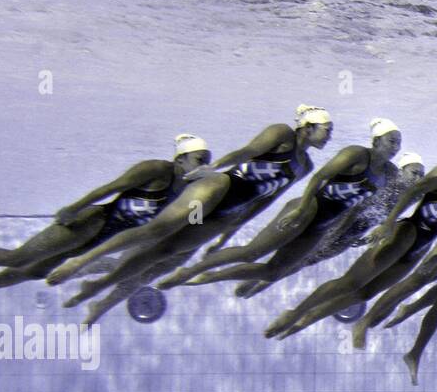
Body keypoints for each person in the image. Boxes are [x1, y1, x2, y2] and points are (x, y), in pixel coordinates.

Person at [46, 105, 334, 324]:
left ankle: (102, 302)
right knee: (157, 232)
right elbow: (246, 152)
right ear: (307, 127)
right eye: (326, 128)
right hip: (219, 189)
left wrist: (228, 234)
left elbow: (263, 200)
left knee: (164, 257)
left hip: (228, 213)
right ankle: (81, 262)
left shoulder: (305, 166)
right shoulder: (281, 133)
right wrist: (212, 168)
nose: (329, 135)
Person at [268, 132, 437, 343]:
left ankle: (306, 320)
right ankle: (295, 313)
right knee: (350, 282)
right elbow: (414, 190)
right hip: (406, 233)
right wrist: (389, 223)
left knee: (366, 293)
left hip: (423, 245)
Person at [167, 119, 402, 291]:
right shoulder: (356, 154)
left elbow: (360, 207)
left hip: (324, 223)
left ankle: (209, 277)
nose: (395, 148)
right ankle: (191, 271)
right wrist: (302, 209)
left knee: (273, 273)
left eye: (399, 144)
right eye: (392, 141)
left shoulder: (389, 173)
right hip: (307, 209)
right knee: (251, 252)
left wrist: (344, 231)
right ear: (377, 140)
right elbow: (319, 178)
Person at [0, 134, 210, 289]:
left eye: (207, 161)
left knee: (36, 271)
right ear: (180, 158)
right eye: (200, 159)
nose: (204, 165)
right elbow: (111, 188)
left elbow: (192, 226)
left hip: (102, 239)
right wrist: (74, 208)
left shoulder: (193, 190)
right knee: (17, 259)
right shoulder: (156, 169)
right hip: (90, 223)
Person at [231, 151, 426, 299]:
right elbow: (355, 207)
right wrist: (335, 232)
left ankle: (257, 287)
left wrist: (367, 236)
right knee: (295, 256)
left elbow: (392, 218)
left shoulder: (414, 194)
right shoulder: (387, 179)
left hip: (353, 233)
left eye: (421, 175)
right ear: (401, 171)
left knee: (305, 262)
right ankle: (248, 280)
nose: (417, 179)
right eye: (414, 172)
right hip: (339, 223)